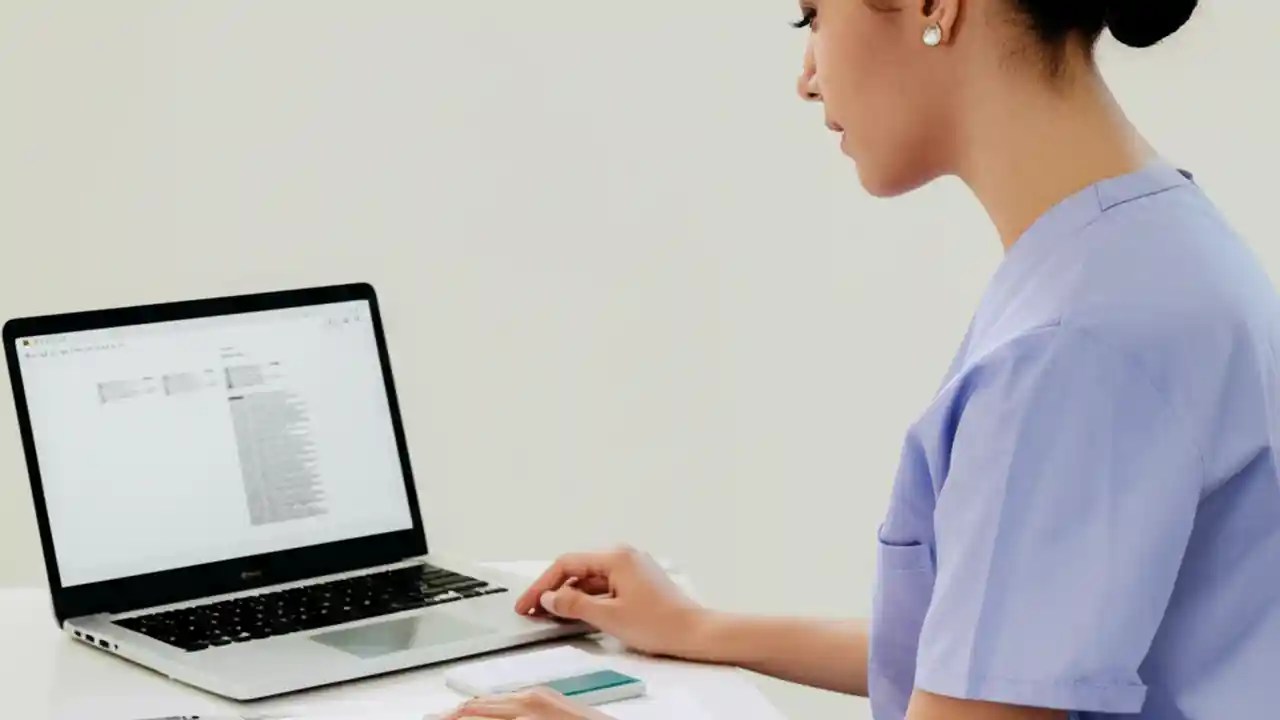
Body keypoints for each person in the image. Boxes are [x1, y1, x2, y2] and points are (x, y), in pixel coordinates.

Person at [446, 0, 1280, 718]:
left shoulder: (1071, 346)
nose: (806, 75)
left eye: (812, 15)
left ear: (934, 5)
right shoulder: (1153, 246)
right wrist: (704, 630)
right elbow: (1002, 647)